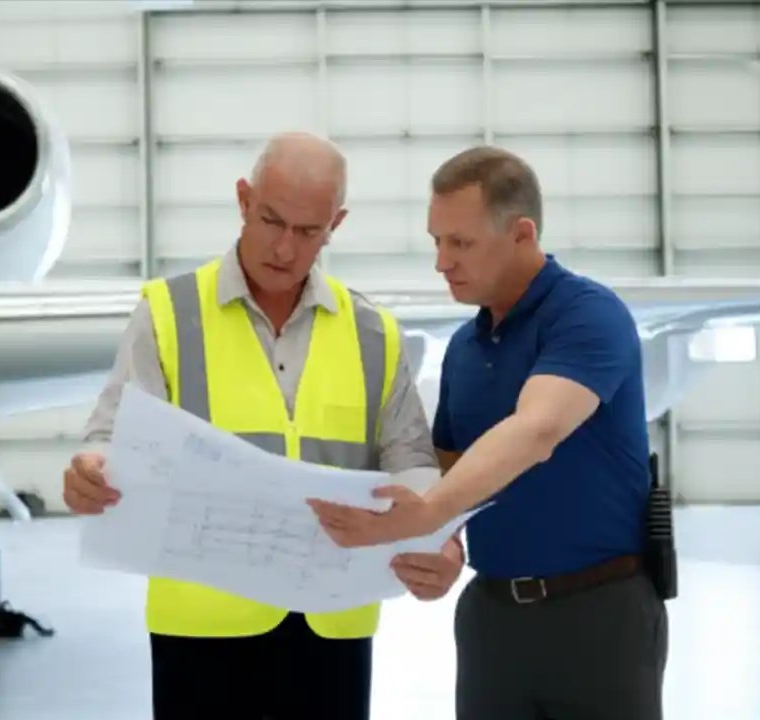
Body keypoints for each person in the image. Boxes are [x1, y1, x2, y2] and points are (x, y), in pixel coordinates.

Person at [62, 131, 465, 720]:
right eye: (272, 220)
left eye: (308, 231)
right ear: (244, 200)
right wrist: (92, 469)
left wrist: (442, 543)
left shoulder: (373, 332)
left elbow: (412, 463)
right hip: (202, 628)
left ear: (336, 224)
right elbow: (111, 436)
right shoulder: (169, 313)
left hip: (332, 623)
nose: (285, 247)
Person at [308, 145, 668, 719]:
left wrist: (426, 515)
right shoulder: (464, 349)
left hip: (600, 616)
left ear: (522, 234)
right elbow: (449, 470)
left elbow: (537, 429)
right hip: (492, 619)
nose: (441, 262)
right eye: (436, 241)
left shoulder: (588, 315)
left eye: (461, 242)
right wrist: (443, 544)